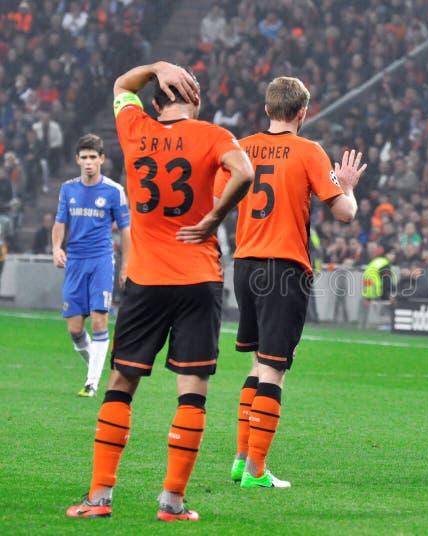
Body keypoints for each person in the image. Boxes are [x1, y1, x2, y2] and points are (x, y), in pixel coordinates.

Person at [66, 61, 254, 521]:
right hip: (198, 277)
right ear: (194, 97)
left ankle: (100, 496)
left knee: (121, 383)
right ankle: (171, 502)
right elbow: (245, 173)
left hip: (147, 280)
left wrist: (154, 66)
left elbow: (119, 84)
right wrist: (213, 219)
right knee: (192, 392)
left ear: (155, 100)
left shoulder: (134, 126)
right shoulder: (212, 136)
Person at [213, 76, 366, 489]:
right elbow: (345, 213)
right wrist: (348, 187)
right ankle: (257, 471)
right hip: (284, 268)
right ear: (304, 113)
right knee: (275, 369)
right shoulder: (309, 151)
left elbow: (218, 203)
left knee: (258, 362)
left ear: (267, 109)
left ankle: (242, 459)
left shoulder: (239, 147)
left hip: (245, 265)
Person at [52, 135, 130, 398]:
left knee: (99, 322)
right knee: (75, 329)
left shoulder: (113, 191)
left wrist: (125, 266)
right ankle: (94, 370)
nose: (88, 162)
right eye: (83, 157)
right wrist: (56, 247)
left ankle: (92, 382)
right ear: (77, 160)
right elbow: (60, 222)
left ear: (102, 159)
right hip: (74, 261)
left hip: (100, 261)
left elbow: (126, 231)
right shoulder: (68, 189)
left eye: (92, 157)